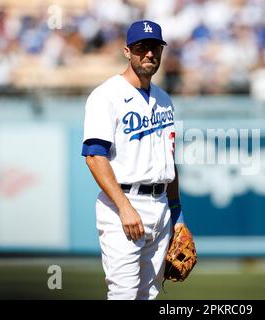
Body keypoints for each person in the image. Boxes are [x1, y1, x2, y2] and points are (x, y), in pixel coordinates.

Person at [81, 20, 186, 300]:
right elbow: (94, 156)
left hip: (161, 206)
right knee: (124, 294)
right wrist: (124, 207)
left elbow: (169, 160)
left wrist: (177, 213)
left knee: (149, 295)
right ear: (127, 51)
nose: (149, 54)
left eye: (155, 47)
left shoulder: (164, 99)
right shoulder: (106, 95)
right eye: (142, 47)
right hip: (122, 206)